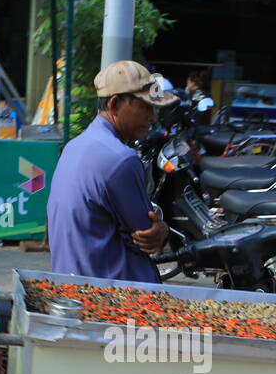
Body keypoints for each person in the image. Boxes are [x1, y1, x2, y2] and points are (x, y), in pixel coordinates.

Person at [46, 60, 178, 283]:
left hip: (69, 281)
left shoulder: (74, 146)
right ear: (115, 104)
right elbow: (147, 235)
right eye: (145, 107)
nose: (152, 117)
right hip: (111, 295)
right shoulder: (121, 159)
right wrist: (163, 230)